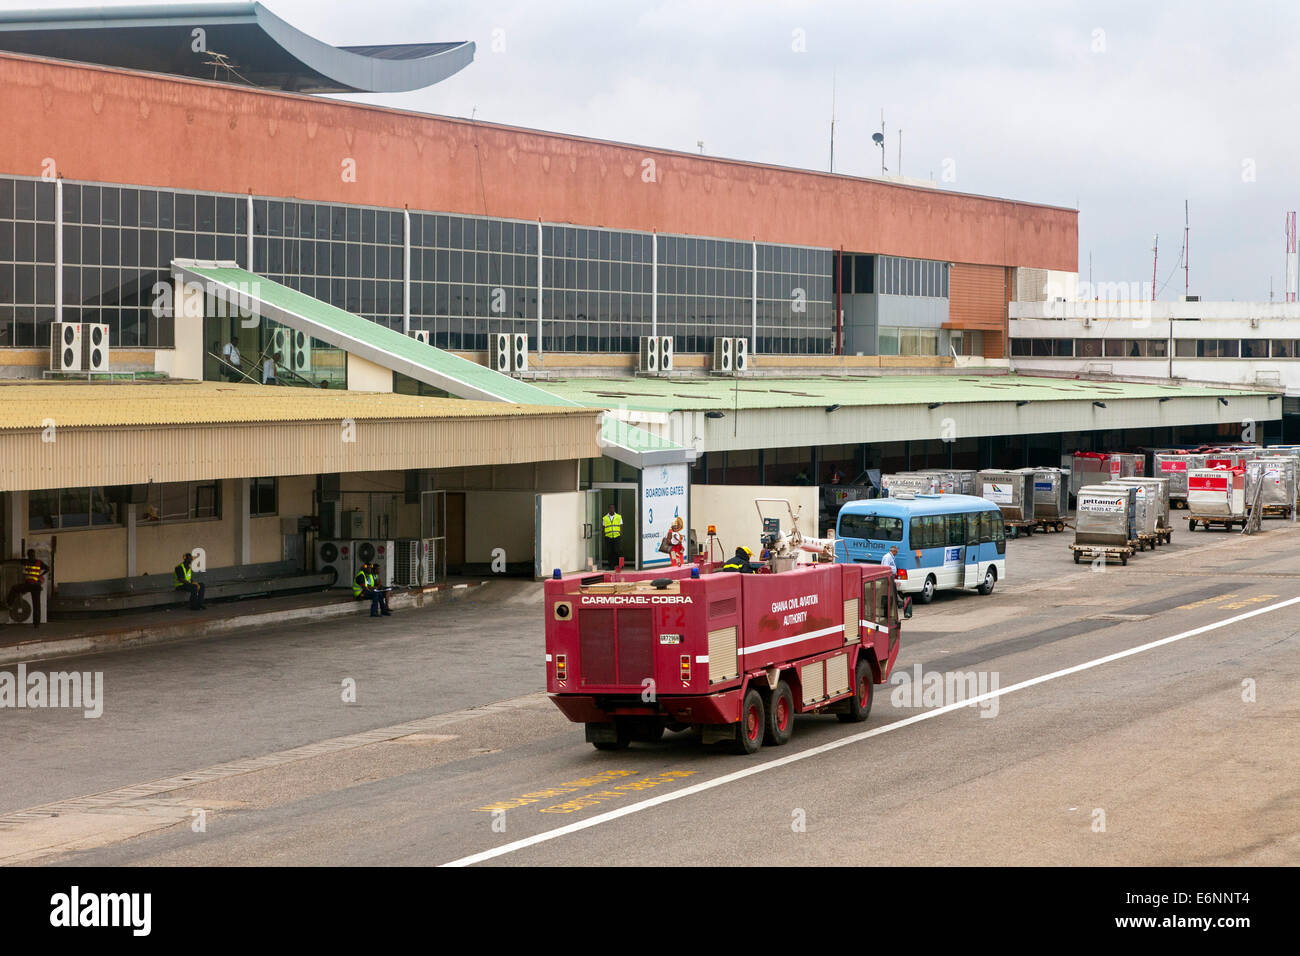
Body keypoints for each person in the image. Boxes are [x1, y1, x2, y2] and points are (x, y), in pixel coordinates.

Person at [5, 549, 50, 629]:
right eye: (30, 555)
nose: (31, 556)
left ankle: (10, 604)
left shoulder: (28, 562)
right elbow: (15, 561)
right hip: (33, 585)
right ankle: (36, 624)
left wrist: (40, 576)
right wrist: (40, 575)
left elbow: (47, 568)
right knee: (36, 605)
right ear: (30, 555)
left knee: (15, 588)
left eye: (31, 555)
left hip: (32, 585)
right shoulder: (36, 562)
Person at [880, 545, 912, 620]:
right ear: (893, 551)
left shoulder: (891, 557)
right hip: (887, 578)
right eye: (897, 551)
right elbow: (886, 568)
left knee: (891, 595)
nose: (897, 552)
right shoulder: (888, 557)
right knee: (889, 595)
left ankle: (889, 612)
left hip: (890, 578)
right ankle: (887, 613)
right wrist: (890, 580)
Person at [601, 504, 623, 570]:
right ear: (608, 509)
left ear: (614, 509)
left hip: (616, 536)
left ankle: (618, 565)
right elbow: (603, 527)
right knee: (609, 552)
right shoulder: (605, 518)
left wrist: (620, 534)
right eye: (610, 508)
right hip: (608, 537)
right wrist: (605, 535)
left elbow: (621, 526)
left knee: (617, 551)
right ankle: (611, 566)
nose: (612, 509)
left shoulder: (618, 517)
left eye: (613, 508)